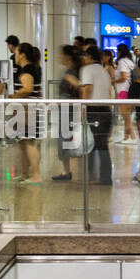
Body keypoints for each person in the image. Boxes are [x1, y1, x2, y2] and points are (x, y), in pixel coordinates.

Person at [80, 43, 115, 186]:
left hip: (94, 110)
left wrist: (83, 107)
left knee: (92, 144)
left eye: (84, 55)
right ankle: (102, 176)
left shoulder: (88, 69)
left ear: (89, 57)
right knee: (101, 145)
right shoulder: (103, 70)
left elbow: (88, 89)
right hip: (106, 110)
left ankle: (98, 177)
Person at [12, 43, 43, 183]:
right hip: (27, 110)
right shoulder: (31, 68)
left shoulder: (27, 69)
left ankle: (36, 174)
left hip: (27, 110)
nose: (15, 56)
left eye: (17, 53)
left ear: (22, 54)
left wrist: (12, 97)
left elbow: (27, 88)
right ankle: (24, 174)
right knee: (23, 143)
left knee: (29, 142)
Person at [51, 44, 82, 182]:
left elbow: (80, 87)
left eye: (61, 55)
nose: (59, 58)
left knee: (64, 138)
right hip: (67, 109)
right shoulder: (71, 70)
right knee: (65, 138)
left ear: (67, 56)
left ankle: (66, 171)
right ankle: (66, 170)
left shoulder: (71, 73)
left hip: (68, 109)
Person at [113, 44, 137, 141]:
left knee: (126, 116)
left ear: (119, 51)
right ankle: (126, 137)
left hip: (123, 90)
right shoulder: (130, 61)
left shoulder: (122, 62)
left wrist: (113, 81)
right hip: (129, 90)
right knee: (127, 116)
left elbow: (123, 77)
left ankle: (132, 137)